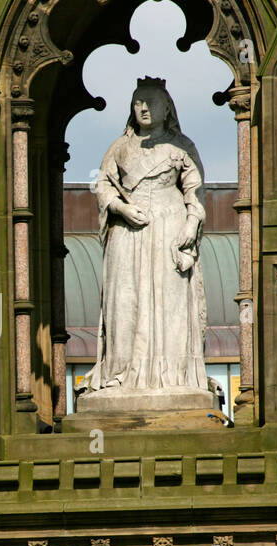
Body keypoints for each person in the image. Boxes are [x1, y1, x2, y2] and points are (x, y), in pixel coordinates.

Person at [86, 77, 207, 396]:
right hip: (128, 231)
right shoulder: (120, 146)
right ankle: (122, 374)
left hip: (169, 227)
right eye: (137, 102)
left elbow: (195, 189)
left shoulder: (183, 147)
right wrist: (120, 208)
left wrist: (191, 222)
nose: (142, 107)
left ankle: (172, 376)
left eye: (150, 102)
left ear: (166, 108)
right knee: (124, 301)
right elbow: (103, 185)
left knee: (169, 302)